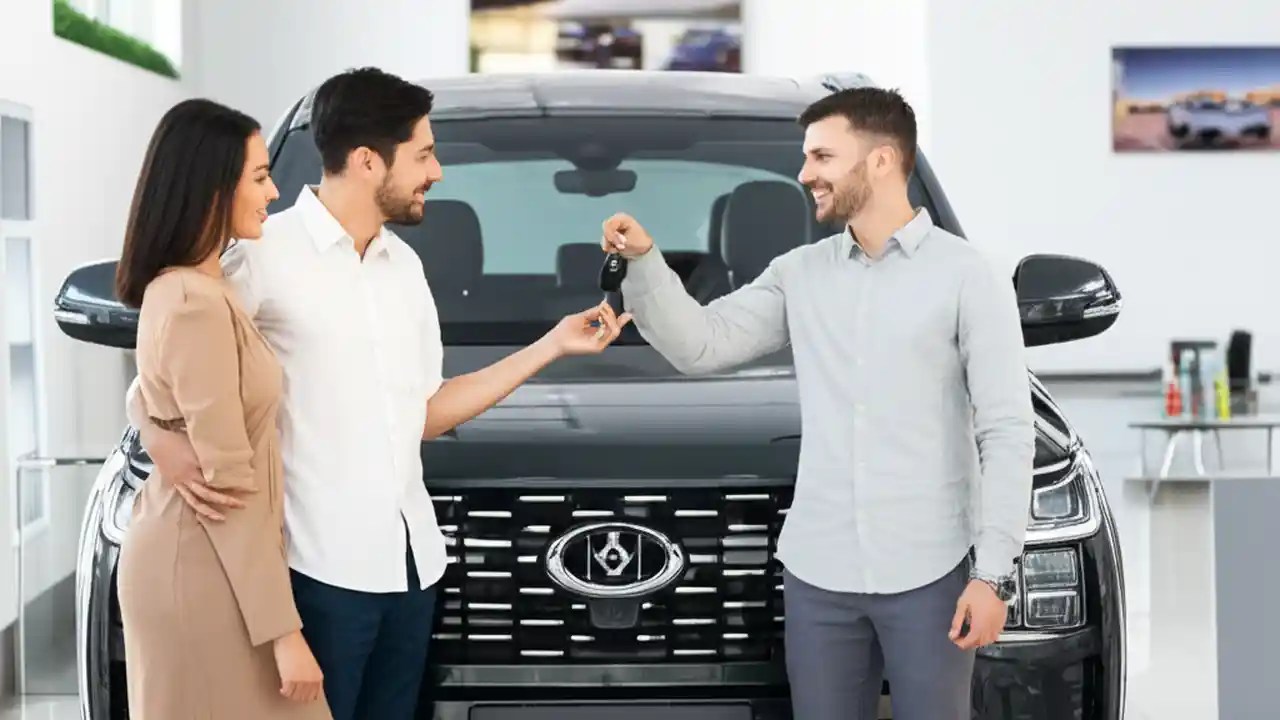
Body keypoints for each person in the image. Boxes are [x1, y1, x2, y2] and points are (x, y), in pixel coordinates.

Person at [125, 68, 631, 720]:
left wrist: (551, 346)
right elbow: (169, 366)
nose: (438, 171)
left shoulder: (407, 269)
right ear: (368, 161)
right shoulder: (262, 256)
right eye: (423, 154)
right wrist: (153, 429)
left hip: (411, 569)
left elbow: (424, 412)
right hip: (315, 572)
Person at [599, 87, 1035, 719]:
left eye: (822, 156)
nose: (805, 174)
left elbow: (1005, 429)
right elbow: (702, 345)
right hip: (818, 575)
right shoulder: (800, 273)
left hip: (931, 573)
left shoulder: (968, 276)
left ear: (882, 160)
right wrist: (644, 264)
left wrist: (992, 574)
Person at [114, 98, 330, 719]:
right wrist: (285, 636)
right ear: (212, 188)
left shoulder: (210, 289)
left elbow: (156, 393)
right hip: (201, 570)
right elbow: (227, 484)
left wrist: (152, 429)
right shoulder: (192, 302)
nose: (274, 191)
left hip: (222, 567)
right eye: (261, 176)